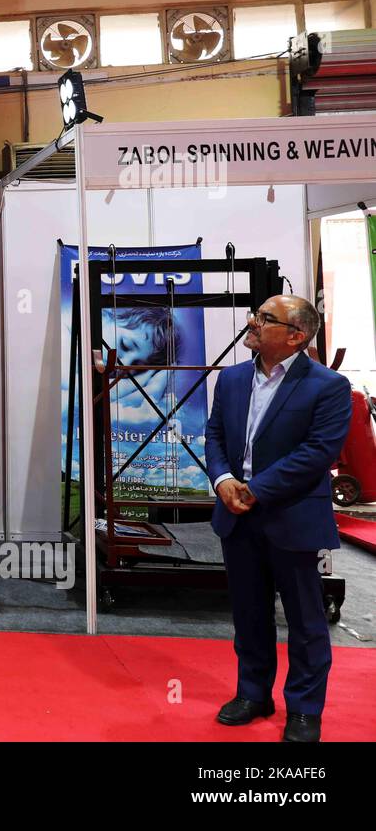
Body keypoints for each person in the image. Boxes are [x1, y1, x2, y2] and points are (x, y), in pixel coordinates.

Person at [205, 294, 351, 742]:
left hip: (292, 518)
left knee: (305, 622)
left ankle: (305, 709)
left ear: (296, 336)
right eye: (257, 313)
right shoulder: (230, 380)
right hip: (236, 517)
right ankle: (253, 694)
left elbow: (316, 454)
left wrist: (256, 489)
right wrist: (224, 480)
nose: (253, 321)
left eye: (266, 318)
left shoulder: (328, 386)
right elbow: (214, 434)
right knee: (249, 615)